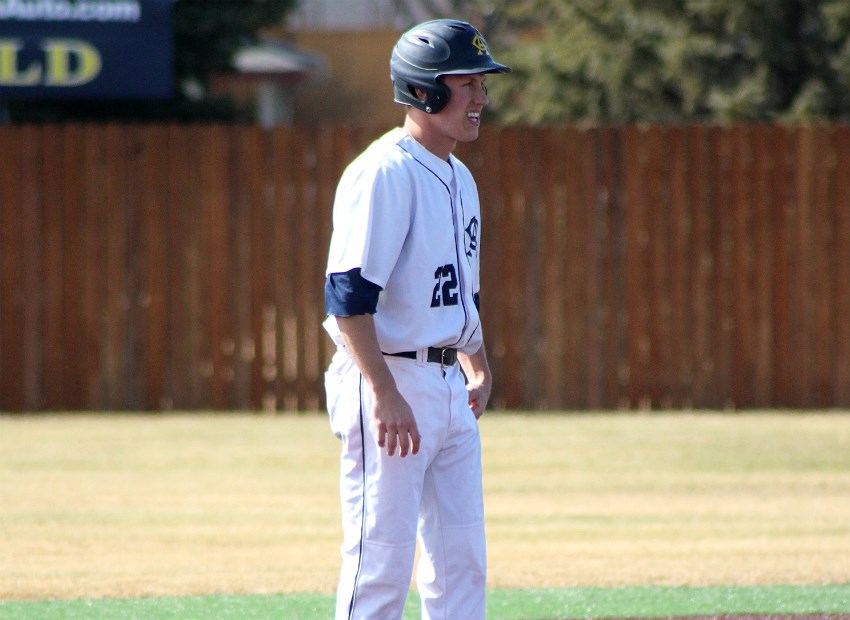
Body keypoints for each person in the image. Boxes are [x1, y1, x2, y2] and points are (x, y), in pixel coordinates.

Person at [322, 18, 510, 620]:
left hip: (448, 387)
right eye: (468, 83)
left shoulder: (460, 176)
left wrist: (475, 364)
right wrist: (382, 391)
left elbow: (459, 294)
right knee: (380, 563)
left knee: (461, 563)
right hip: (390, 380)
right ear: (424, 89)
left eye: (483, 83)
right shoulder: (386, 171)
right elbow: (348, 296)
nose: (481, 97)